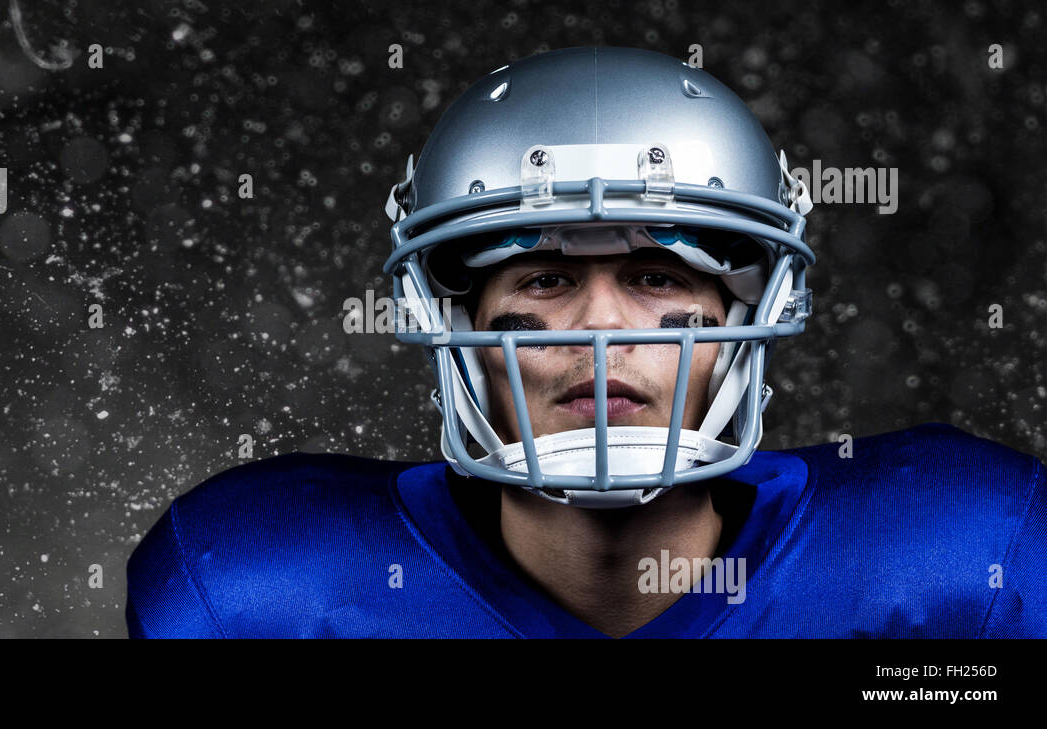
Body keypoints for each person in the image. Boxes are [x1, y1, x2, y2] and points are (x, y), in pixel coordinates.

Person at [126, 46, 1045, 638]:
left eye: (655, 276)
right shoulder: (262, 590)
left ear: (740, 316)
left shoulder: (956, 563)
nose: (601, 328)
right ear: (464, 328)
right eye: (546, 278)